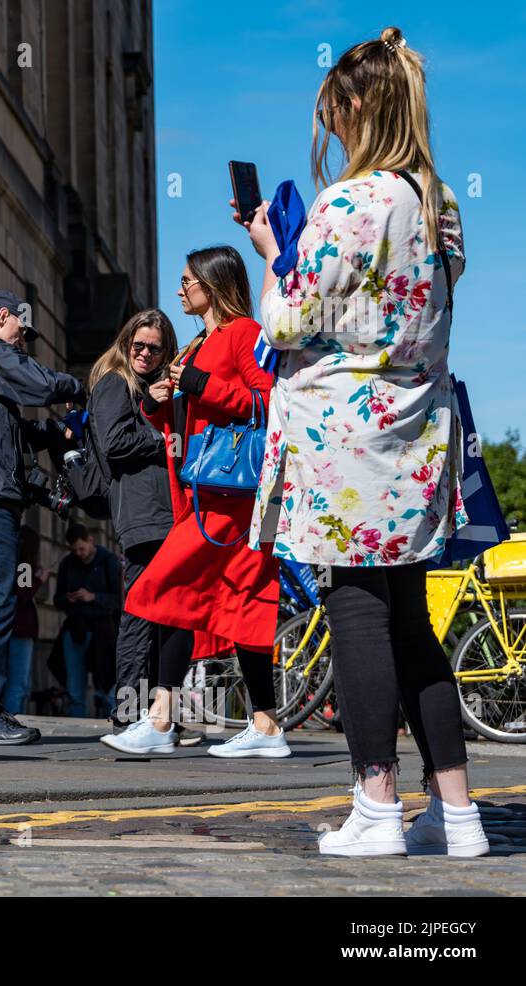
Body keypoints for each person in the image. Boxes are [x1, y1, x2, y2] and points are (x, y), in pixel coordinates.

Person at [243, 27, 487, 857]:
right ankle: (458, 815)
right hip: (417, 429)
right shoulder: (438, 200)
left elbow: (284, 320)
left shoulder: (350, 203)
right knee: (410, 619)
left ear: (355, 107)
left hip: (343, 432)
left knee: (356, 611)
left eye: (332, 114)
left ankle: (375, 805)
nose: (330, 130)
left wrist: (275, 254)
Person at [101, 246, 288, 759]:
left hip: (233, 497)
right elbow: (186, 420)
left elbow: (267, 402)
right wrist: (153, 404)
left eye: (188, 281)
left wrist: (202, 384)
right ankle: (266, 726)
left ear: (212, 283)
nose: (180, 289)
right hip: (202, 496)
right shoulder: (196, 345)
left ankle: (161, 719)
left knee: (167, 587)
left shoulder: (243, 333)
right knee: (238, 601)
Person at [0, 288, 83, 745]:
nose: (21, 343)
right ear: (3, 317)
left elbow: (7, 438)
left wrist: (49, 432)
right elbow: (40, 384)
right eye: (20, 333)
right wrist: (81, 388)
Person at [87, 309, 178, 731]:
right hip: (142, 515)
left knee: (164, 614)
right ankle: (127, 712)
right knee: (141, 613)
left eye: (153, 348)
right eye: (138, 345)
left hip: (162, 513)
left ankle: (156, 717)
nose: (144, 353)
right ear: (126, 343)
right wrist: (161, 437)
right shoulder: (113, 383)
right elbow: (115, 443)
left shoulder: (145, 388)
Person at [53, 524, 121, 717]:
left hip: (102, 630)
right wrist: (69, 598)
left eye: (81, 548)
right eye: (74, 550)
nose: (79, 553)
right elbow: (57, 599)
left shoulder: (108, 561)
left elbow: (119, 600)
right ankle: (77, 721)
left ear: (91, 540)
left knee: (106, 684)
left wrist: (93, 597)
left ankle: (114, 722)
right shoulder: (68, 564)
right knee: (75, 687)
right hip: (75, 629)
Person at [0, 525, 45, 715]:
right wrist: (40, 579)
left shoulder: (11, 564)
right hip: (20, 630)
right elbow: (23, 595)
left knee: (18, 683)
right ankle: (13, 719)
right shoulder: (25, 567)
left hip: (14, 629)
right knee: (18, 684)